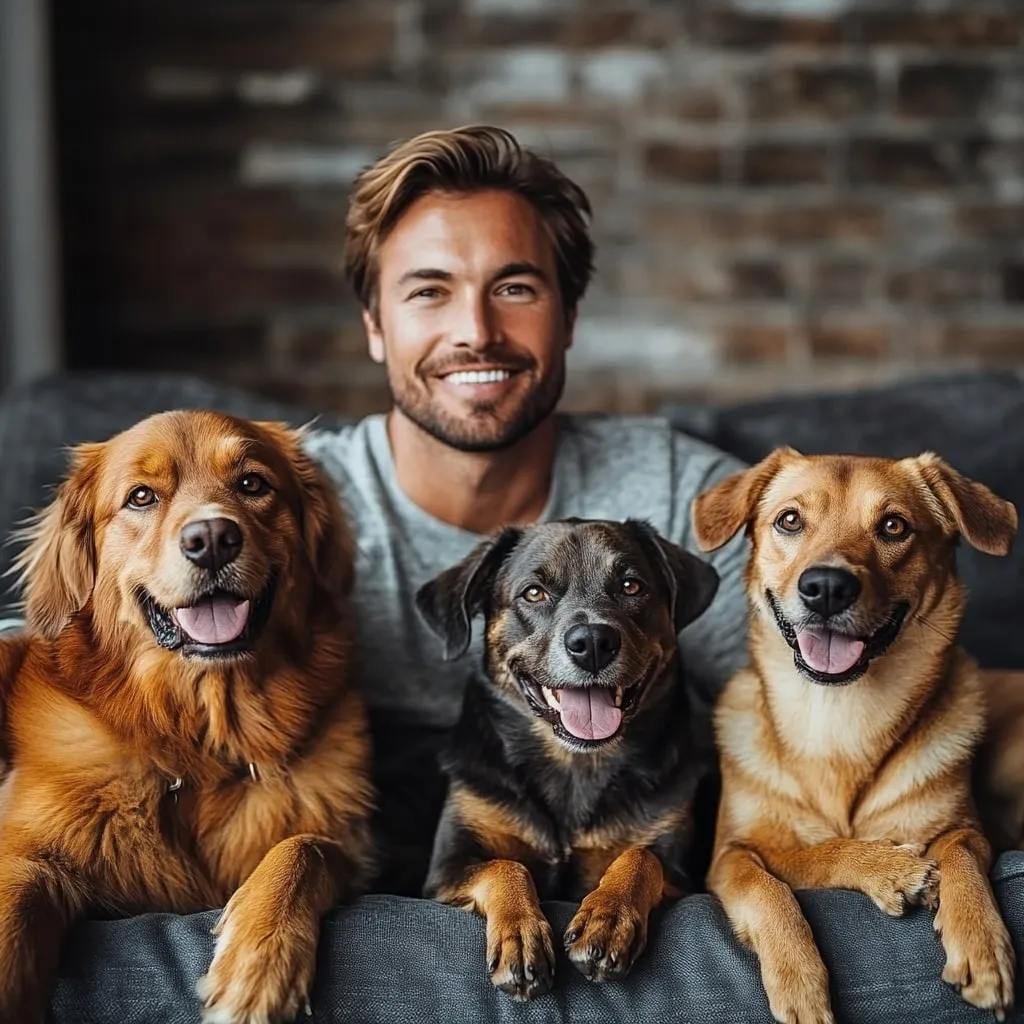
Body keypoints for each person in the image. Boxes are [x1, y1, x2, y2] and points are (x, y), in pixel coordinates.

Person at [299, 124, 751, 893]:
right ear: (375, 325)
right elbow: (74, 645)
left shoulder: (679, 495)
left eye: (515, 288)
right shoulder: (293, 506)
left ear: (568, 317)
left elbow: (835, 690)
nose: (475, 332)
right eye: (428, 291)